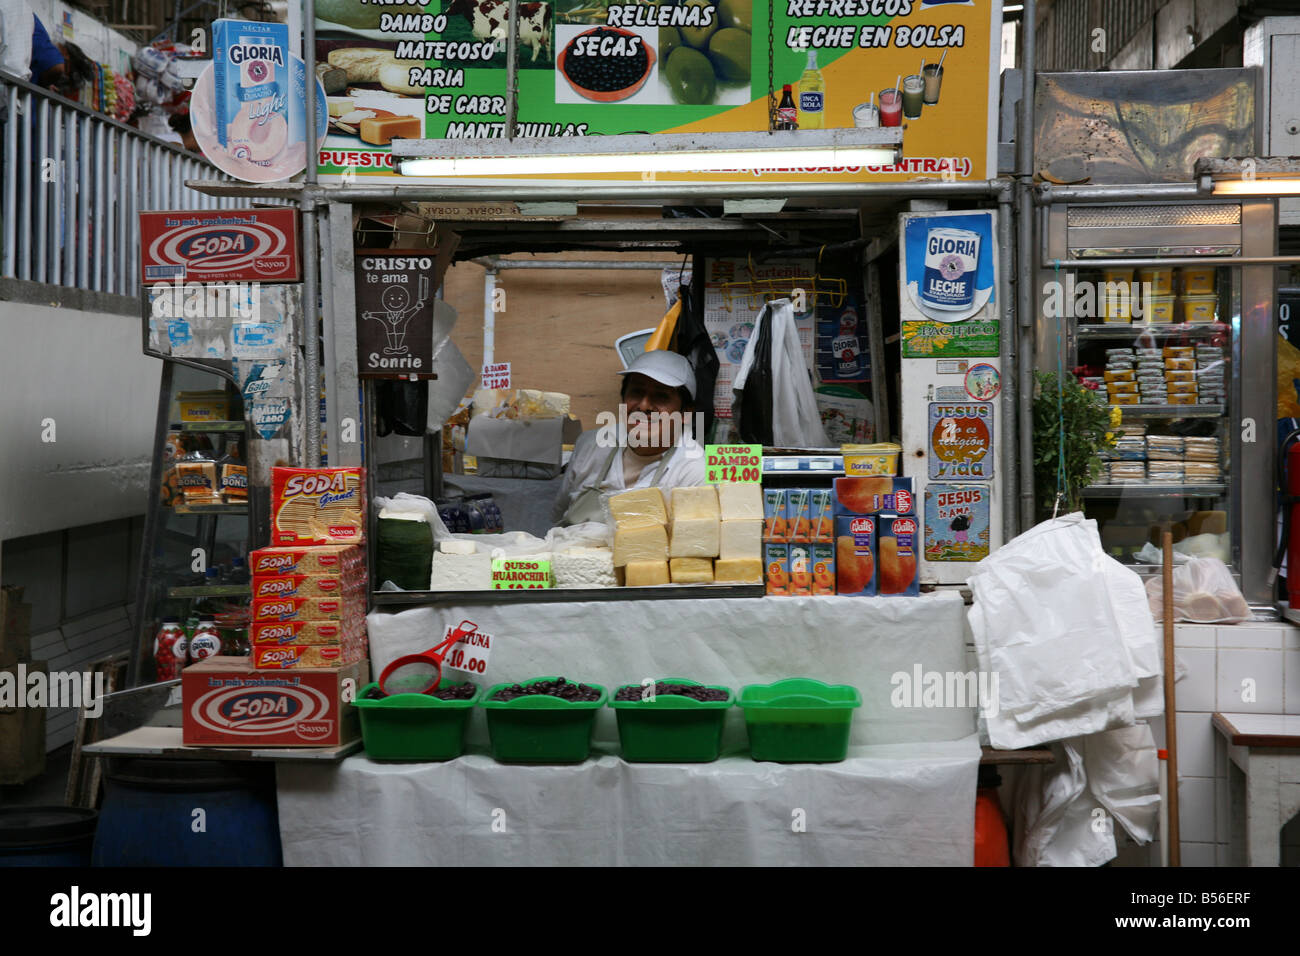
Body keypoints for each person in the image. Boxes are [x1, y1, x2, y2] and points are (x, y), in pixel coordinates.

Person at [553, 350, 707, 526]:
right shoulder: (590, 445)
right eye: (636, 392)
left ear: (686, 413)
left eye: (661, 396)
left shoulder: (695, 471)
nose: (644, 405)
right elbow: (560, 516)